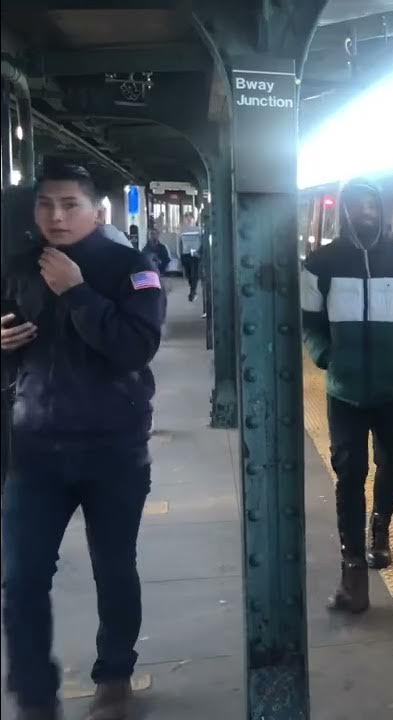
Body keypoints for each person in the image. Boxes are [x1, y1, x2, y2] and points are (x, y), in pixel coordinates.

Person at [0, 163, 166, 720]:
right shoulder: (17, 267)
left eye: (70, 204)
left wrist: (76, 293)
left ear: (97, 212)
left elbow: (134, 347)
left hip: (112, 449)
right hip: (34, 448)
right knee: (21, 577)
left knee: (114, 567)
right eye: (46, 204)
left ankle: (114, 674)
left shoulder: (131, 267)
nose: (56, 215)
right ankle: (34, 695)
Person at [301, 178, 393, 614]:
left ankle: (380, 530)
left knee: (390, 462)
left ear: (383, 210)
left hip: (392, 391)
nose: (364, 212)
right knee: (349, 476)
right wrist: (328, 357)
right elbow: (309, 324)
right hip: (344, 392)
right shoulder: (321, 264)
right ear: (343, 211)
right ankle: (352, 573)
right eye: (356, 205)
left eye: (371, 205)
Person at [178, 213, 202, 302]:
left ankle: (193, 292)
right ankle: (193, 290)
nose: (188, 221)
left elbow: (202, 242)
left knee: (194, 274)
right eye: (186, 219)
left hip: (195, 254)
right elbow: (179, 243)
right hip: (185, 254)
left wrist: (199, 252)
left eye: (190, 219)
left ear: (193, 220)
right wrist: (179, 254)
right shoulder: (182, 231)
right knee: (188, 274)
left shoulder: (198, 230)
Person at [142, 230, 172, 294]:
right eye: (152, 234)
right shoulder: (146, 248)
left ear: (158, 236)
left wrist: (160, 261)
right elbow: (143, 257)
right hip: (149, 269)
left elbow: (167, 260)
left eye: (155, 234)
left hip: (159, 269)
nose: (153, 236)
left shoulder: (162, 247)